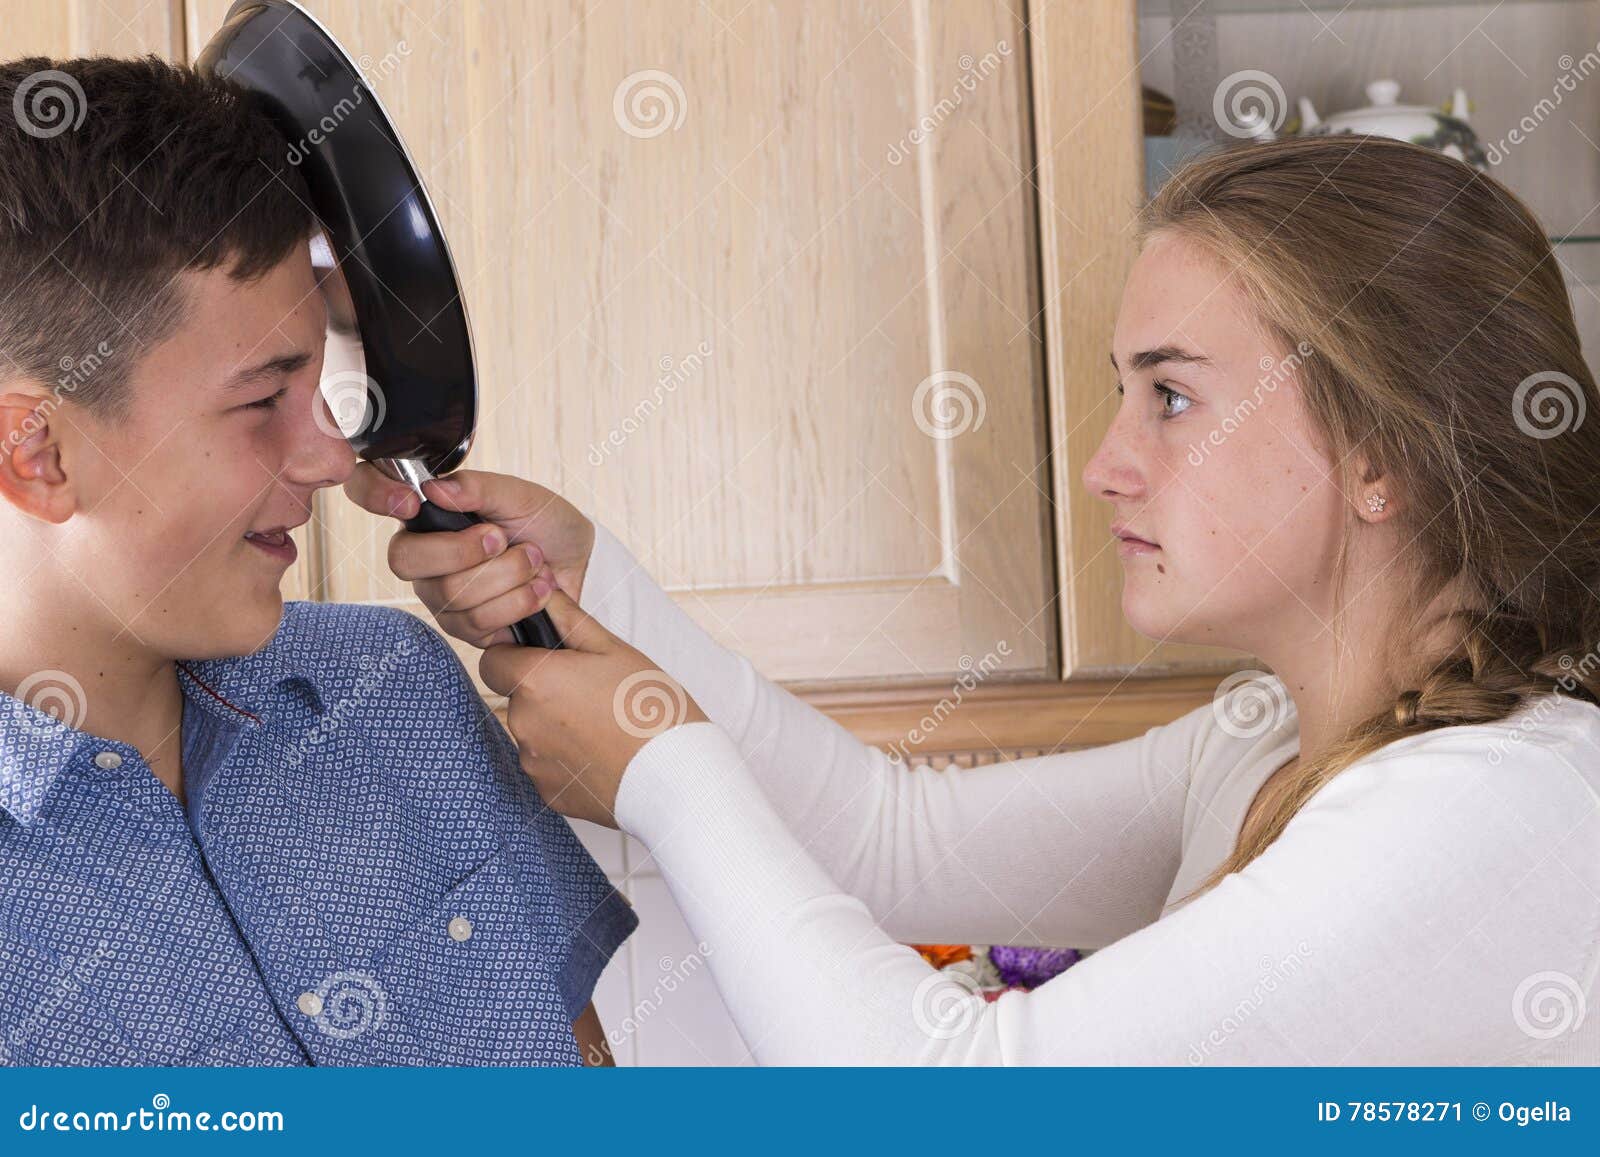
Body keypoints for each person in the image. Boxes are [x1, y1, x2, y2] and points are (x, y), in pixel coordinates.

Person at [353, 134, 1600, 1065]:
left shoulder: (1495, 810)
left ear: (1381, 455)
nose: (1105, 464)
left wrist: (666, 770)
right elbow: (889, 840)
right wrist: (592, 587)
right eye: (1122, 393)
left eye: (1171, 397)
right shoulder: (1266, 741)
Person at [0, 56, 634, 1066]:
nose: (333, 458)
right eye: (262, 400)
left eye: (317, 387)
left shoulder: (395, 686)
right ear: (39, 455)